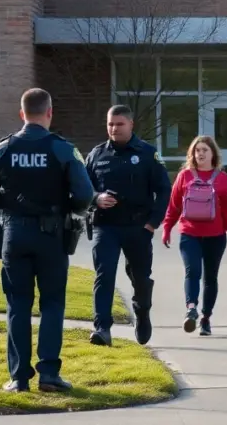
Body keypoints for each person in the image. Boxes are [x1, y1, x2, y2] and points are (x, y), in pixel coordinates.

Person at [0, 87, 95, 392]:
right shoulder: (63, 149)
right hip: (52, 235)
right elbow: (84, 196)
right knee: (53, 303)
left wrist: (16, 204)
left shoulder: (2, 149)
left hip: (14, 234)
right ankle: (49, 374)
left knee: (18, 305)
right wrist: (61, 206)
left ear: (22, 114)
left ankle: (18, 377)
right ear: (50, 112)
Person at [85, 104, 171, 347]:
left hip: (138, 228)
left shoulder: (147, 153)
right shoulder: (96, 154)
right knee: (104, 275)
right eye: (110, 124)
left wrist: (154, 223)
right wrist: (96, 199)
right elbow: (82, 187)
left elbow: (164, 190)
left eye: (119, 124)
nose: (114, 128)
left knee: (140, 278)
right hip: (106, 226)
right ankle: (102, 328)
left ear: (131, 125)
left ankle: (142, 313)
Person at [161, 135, 227, 336]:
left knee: (210, 278)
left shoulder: (222, 178)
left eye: (205, 150)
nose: (201, 154)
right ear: (192, 154)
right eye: (197, 150)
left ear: (213, 153)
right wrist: (167, 227)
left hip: (215, 235)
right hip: (190, 234)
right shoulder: (184, 176)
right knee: (192, 271)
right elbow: (174, 205)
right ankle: (191, 309)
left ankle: (206, 318)